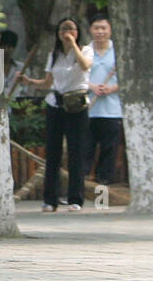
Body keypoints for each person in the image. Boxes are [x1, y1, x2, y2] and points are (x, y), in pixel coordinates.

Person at [21, 18, 91, 211]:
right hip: (56, 104)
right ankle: (50, 199)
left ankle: (75, 199)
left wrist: (73, 46)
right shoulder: (54, 55)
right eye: (63, 29)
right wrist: (29, 82)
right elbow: (47, 82)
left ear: (78, 32)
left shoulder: (85, 50)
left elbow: (85, 66)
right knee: (53, 153)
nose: (67, 32)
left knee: (76, 152)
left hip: (76, 105)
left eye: (71, 28)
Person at [82, 15, 122, 186]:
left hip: (113, 109)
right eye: (96, 28)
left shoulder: (119, 51)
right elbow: (77, 75)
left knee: (109, 149)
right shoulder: (84, 51)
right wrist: (91, 86)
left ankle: (103, 188)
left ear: (110, 30)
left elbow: (129, 78)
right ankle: (81, 186)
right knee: (85, 148)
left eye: (103, 28)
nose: (100, 32)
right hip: (88, 108)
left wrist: (111, 88)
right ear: (90, 30)